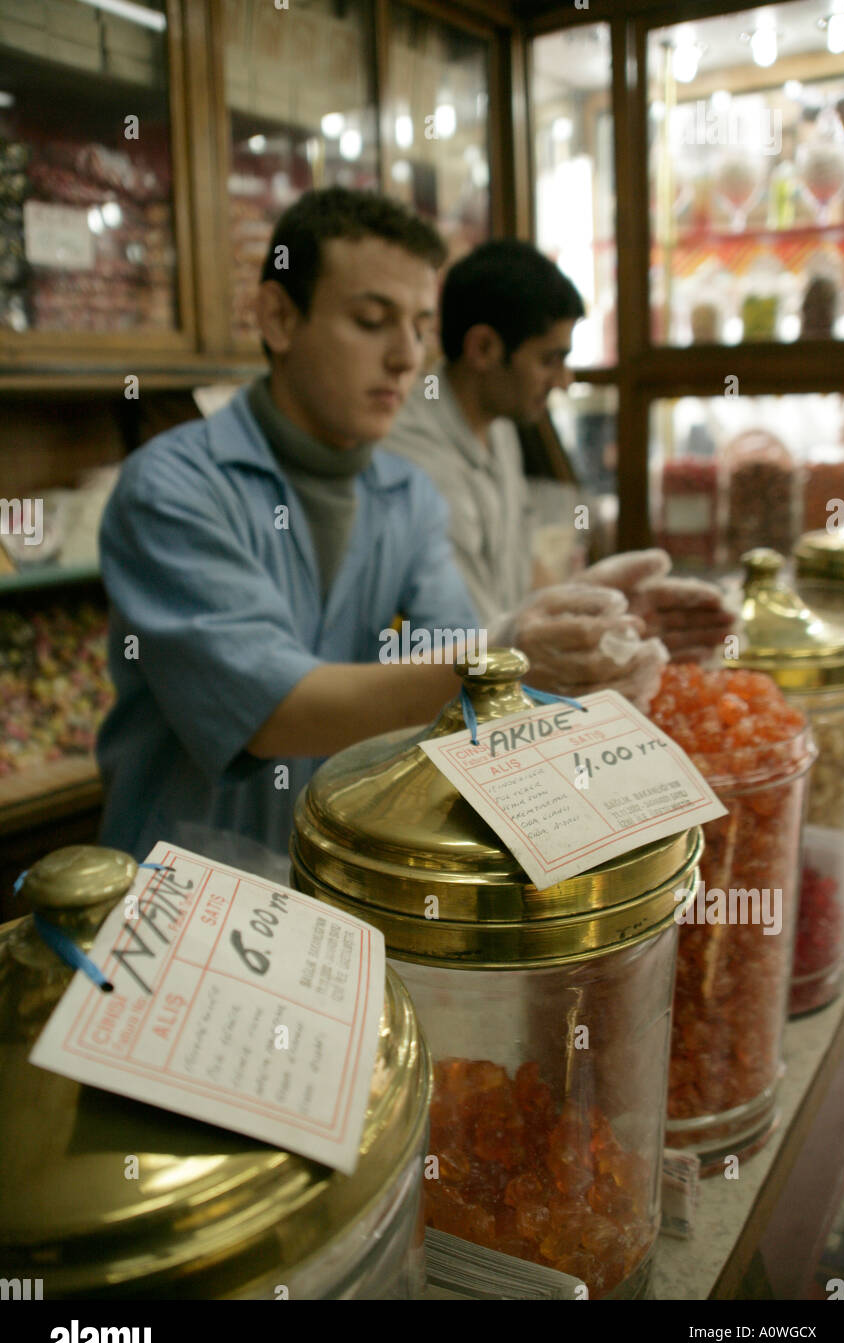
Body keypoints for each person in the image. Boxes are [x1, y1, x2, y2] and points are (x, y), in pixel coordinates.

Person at [95, 190, 656, 864]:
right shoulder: (174, 488)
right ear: (277, 317)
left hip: (341, 872)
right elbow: (277, 711)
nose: (405, 357)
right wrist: (508, 651)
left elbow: (452, 660)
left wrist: (574, 619)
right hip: (182, 889)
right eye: (370, 320)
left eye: (420, 328)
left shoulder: (406, 495)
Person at [384, 238, 734, 668]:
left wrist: (595, 605)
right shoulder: (417, 464)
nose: (564, 379)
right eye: (550, 359)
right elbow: (467, 649)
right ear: (483, 348)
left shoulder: (500, 426)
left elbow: (522, 564)